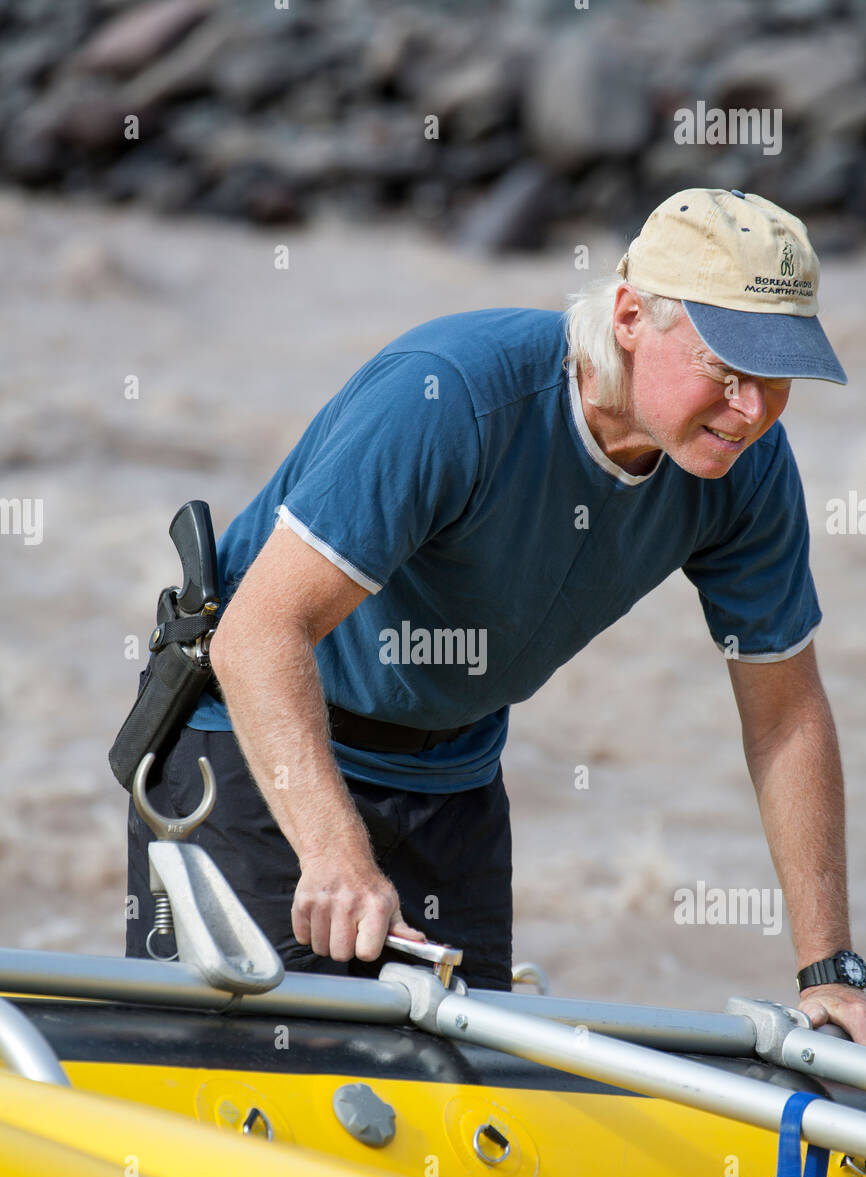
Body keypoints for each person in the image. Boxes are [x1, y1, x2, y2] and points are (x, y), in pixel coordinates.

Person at [125, 187, 866, 1042]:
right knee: (257, 1096)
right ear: (630, 315)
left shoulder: (750, 468)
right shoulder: (452, 399)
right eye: (727, 369)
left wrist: (830, 971)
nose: (753, 409)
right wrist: (332, 853)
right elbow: (257, 634)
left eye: (777, 377)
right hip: (254, 743)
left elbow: (785, 715)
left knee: (459, 1101)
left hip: (453, 775)